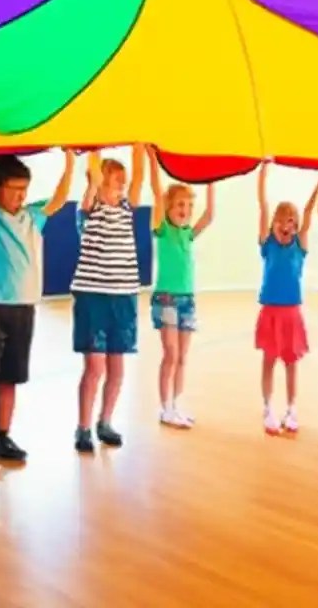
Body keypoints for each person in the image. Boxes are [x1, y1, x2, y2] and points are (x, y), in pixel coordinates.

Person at [0, 130, 73, 474]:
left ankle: (2, 436)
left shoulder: (31, 217)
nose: (21, 196)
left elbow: (57, 199)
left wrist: (69, 161)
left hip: (23, 308)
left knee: (10, 379)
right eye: (14, 189)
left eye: (24, 190)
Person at [72, 146, 144, 453]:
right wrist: (95, 155)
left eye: (122, 184)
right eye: (115, 183)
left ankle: (105, 421)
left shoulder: (127, 209)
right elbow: (92, 180)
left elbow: (139, 177)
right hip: (94, 297)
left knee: (117, 368)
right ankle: (84, 427)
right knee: (95, 367)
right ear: (100, 184)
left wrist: (139, 144)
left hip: (123, 297)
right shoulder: (89, 209)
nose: (121, 189)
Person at [146, 146, 215, 429]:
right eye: (179, 206)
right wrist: (152, 159)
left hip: (187, 299)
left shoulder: (189, 234)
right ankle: (166, 408)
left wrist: (213, 174)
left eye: (188, 207)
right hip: (166, 299)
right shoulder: (162, 229)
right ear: (167, 208)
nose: (185, 212)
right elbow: (155, 191)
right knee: (171, 353)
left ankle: (177, 404)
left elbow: (210, 214)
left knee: (183, 356)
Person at [255, 161, 318, 436]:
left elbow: (309, 211)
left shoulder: (300, 244)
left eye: (292, 221)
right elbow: (262, 205)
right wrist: (262, 174)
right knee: (269, 360)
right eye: (282, 220)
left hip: (292, 312)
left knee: (291, 363)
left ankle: (292, 408)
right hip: (270, 311)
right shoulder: (268, 243)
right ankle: (268, 407)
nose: (288, 225)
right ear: (273, 224)